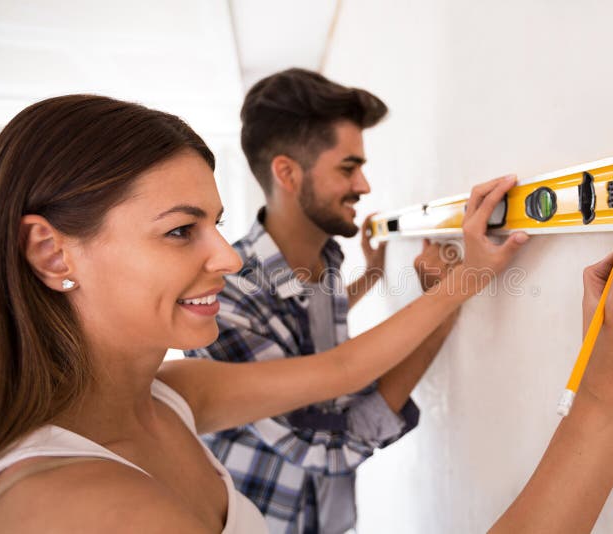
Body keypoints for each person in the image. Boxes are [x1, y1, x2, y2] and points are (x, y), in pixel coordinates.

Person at [0, 94, 613, 534]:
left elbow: (341, 368)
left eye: (215, 224)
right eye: (180, 231)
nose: (225, 259)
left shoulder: (173, 397)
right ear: (51, 253)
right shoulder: (72, 510)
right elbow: (331, 433)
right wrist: (609, 402)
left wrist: (466, 276)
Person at [184, 68, 461, 534]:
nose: (365, 186)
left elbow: (301, 330)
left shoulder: (325, 256)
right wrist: (443, 309)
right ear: (288, 173)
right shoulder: (224, 298)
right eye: (348, 168)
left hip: (330, 520)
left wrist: (372, 275)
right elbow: (326, 445)